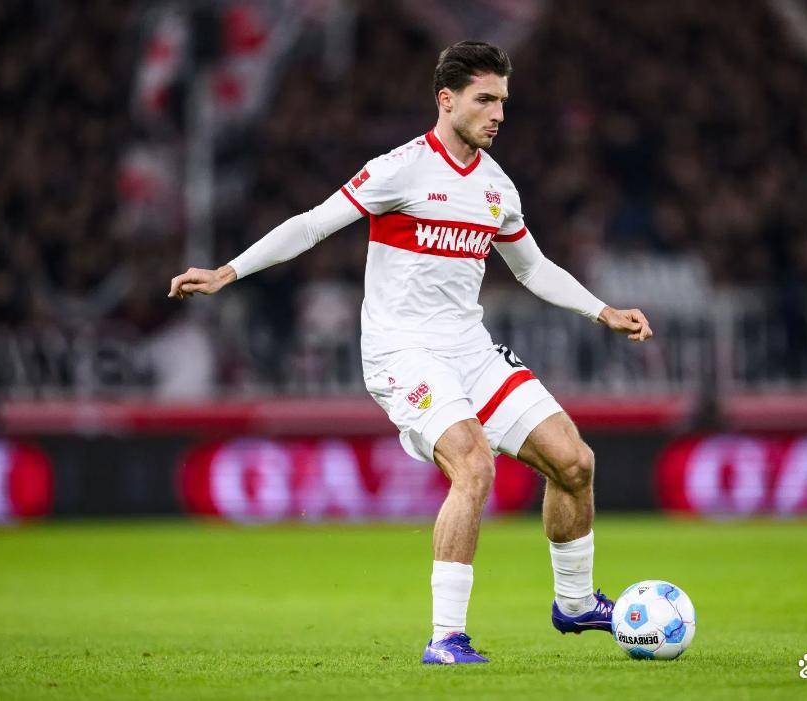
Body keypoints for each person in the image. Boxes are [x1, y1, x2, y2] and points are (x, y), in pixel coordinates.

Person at [168, 40, 653, 665]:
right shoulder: (400, 169)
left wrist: (602, 310)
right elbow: (312, 224)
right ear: (446, 100)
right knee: (474, 464)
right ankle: (446, 637)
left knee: (575, 462)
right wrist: (226, 272)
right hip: (403, 353)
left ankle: (577, 603)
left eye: (503, 101)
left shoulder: (497, 187)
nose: (498, 114)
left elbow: (532, 268)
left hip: (470, 349)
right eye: (484, 100)